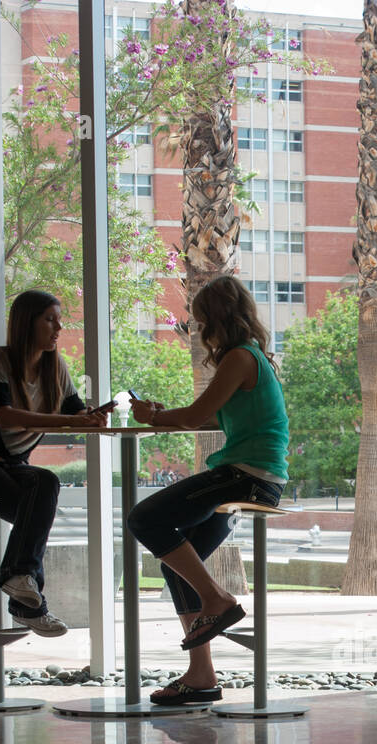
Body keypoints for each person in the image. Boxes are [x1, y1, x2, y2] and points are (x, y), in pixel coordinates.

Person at [127, 276, 288, 705]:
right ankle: (201, 676)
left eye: (201, 323)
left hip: (247, 475)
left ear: (218, 319)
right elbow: (210, 419)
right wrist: (163, 415)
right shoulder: (250, 357)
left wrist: (151, 418)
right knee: (177, 563)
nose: (199, 332)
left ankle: (218, 598)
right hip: (256, 476)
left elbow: (197, 413)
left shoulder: (239, 357)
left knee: (143, 519)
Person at [0, 290, 110, 635]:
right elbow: (5, 416)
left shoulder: (56, 367)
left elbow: (74, 412)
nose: (59, 326)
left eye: (59, 319)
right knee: (35, 508)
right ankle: (28, 603)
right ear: (27, 323)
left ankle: (23, 593)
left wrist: (93, 417)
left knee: (46, 483)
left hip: (11, 466)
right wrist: (76, 421)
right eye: (50, 319)